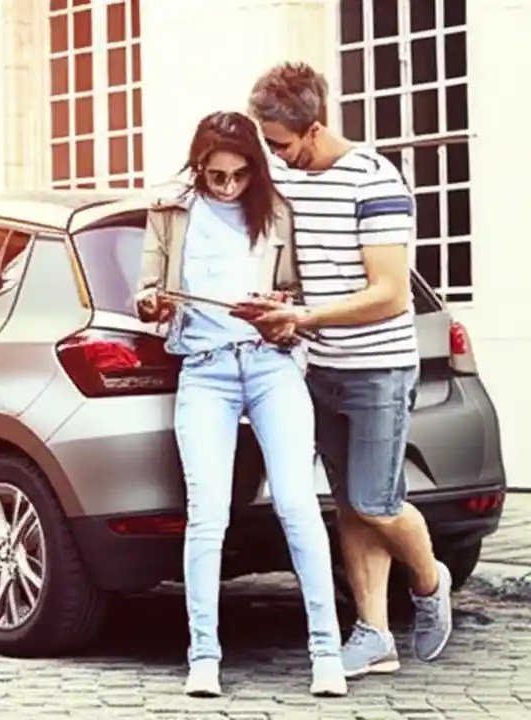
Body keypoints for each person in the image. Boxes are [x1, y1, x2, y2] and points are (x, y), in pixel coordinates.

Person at [235, 61, 452, 679]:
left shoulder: (374, 179)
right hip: (321, 367)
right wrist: (280, 304)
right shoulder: (288, 179)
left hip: (378, 368)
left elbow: (389, 293)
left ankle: (431, 585)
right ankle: (374, 635)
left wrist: (304, 319)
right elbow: (298, 272)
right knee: (350, 508)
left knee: (378, 501)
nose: (275, 156)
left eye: (281, 143)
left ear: (314, 127)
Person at [134, 111, 346, 698]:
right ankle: (204, 657)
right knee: (208, 514)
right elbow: (146, 289)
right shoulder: (170, 209)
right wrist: (153, 305)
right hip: (205, 371)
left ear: (254, 167)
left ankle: (325, 652)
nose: (226, 186)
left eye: (237, 176)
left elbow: (300, 296)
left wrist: (280, 309)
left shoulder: (277, 211)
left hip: (270, 363)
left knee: (299, 505)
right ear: (198, 165)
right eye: (215, 175)